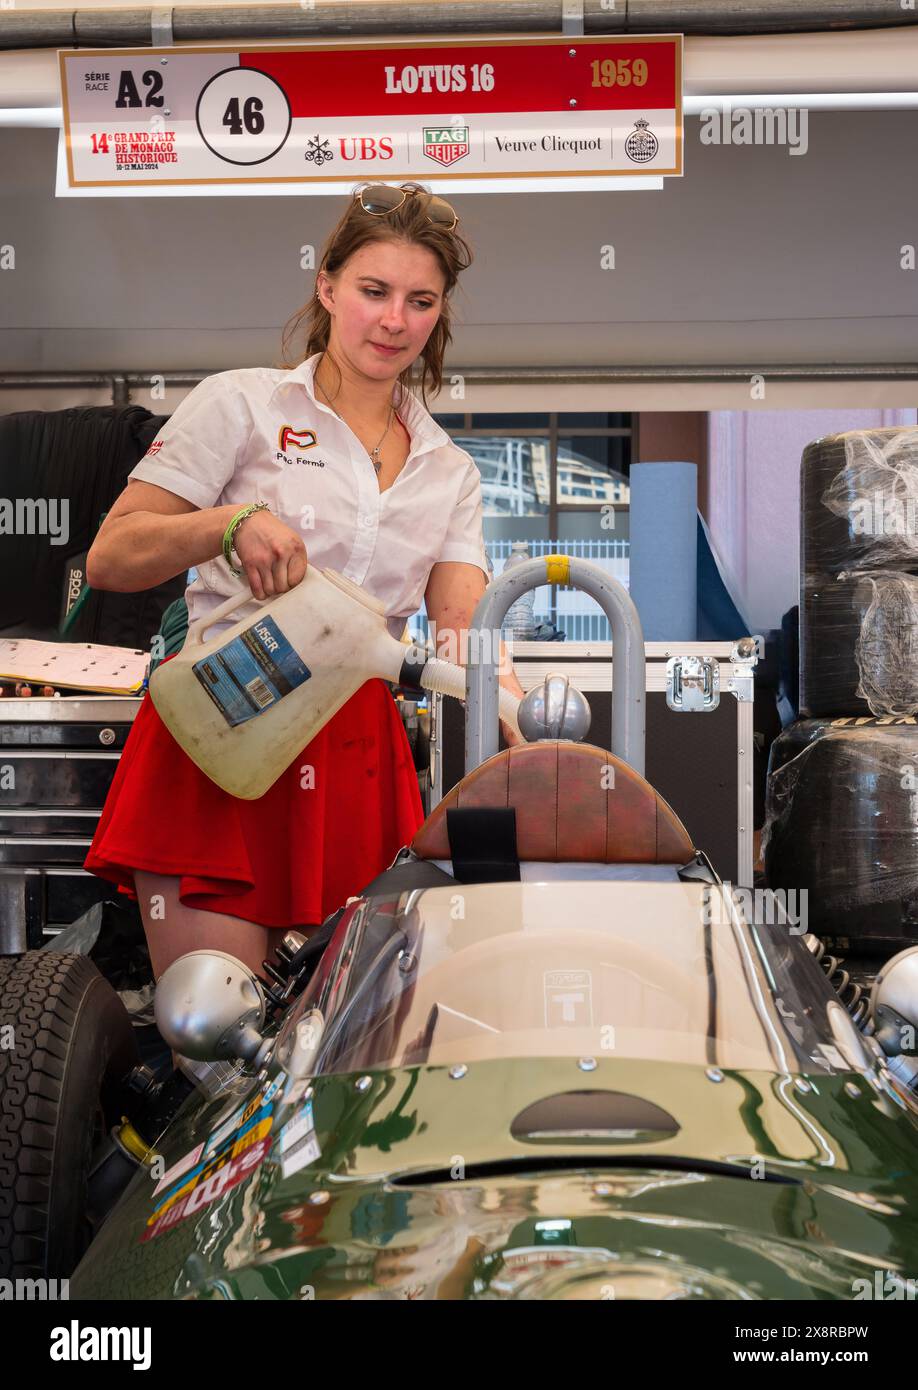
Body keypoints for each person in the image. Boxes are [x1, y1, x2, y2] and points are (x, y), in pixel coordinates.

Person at [83, 180, 525, 982]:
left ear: (439, 315)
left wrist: (529, 717)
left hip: (355, 760)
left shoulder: (449, 470)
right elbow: (111, 555)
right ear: (327, 288)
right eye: (373, 291)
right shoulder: (240, 405)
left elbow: (465, 633)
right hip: (224, 722)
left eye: (419, 301)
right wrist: (229, 523)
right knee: (216, 1033)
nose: (394, 321)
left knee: (344, 1050)